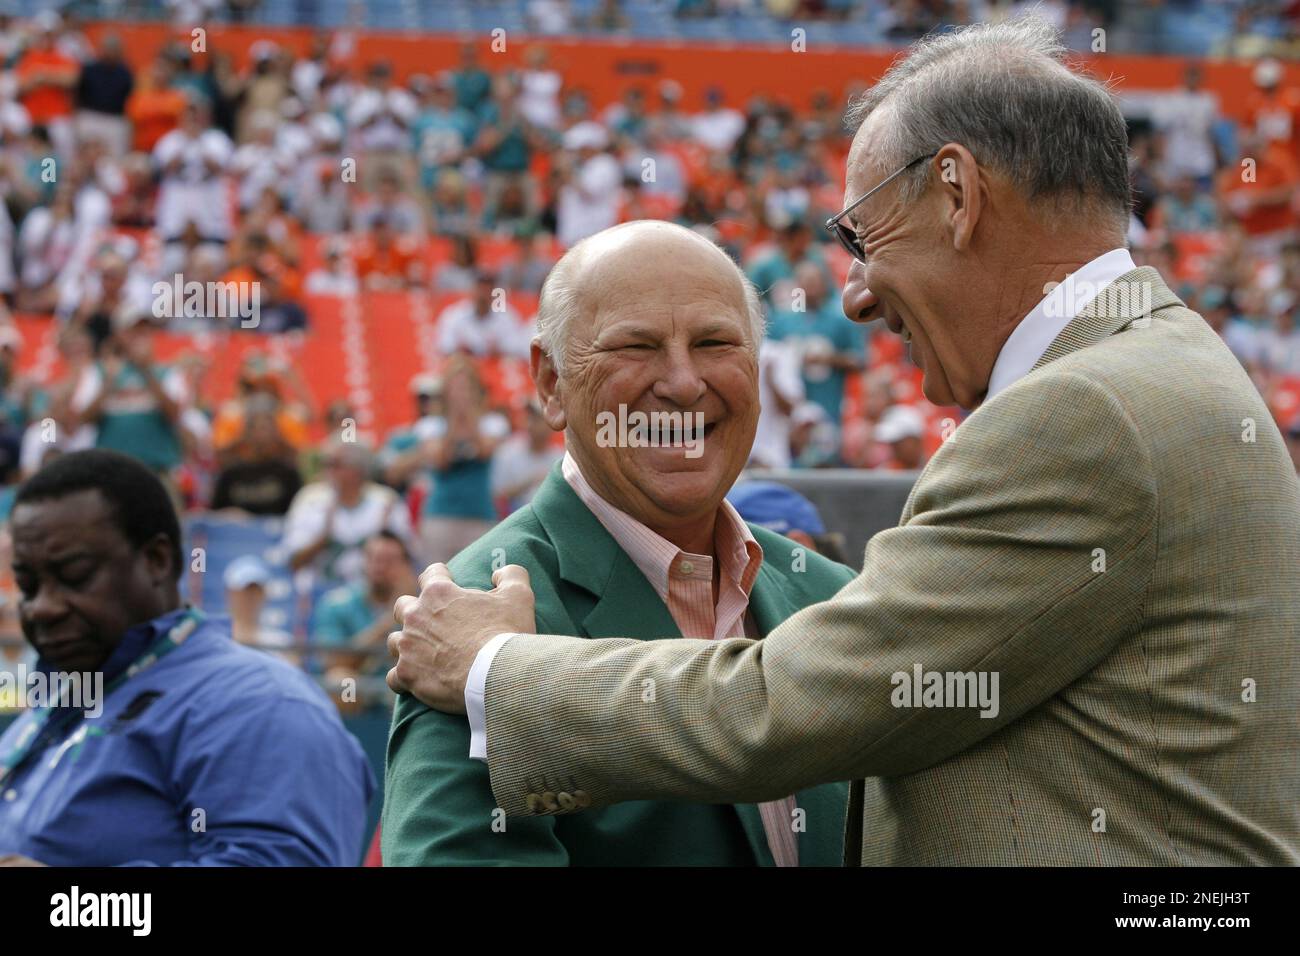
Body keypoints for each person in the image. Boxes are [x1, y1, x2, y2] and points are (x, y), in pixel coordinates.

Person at [388, 18, 1300, 866]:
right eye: (634, 347)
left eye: (863, 236)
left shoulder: (1077, 414)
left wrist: (496, 673)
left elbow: (782, 707)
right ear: (549, 381)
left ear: (957, 194)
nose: (858, 296)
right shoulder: (476, 597)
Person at [384, 221, 851, 866]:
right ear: (551, 384)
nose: (683, 383)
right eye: (635, 346)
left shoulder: (831, 595)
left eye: (715, 342)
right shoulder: (470, 616)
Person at [0, 450, 373, 866]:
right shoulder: (58, 703)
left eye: (74, 575)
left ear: (157, 561)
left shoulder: (260, 703)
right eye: (28, 586)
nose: (42, 607)